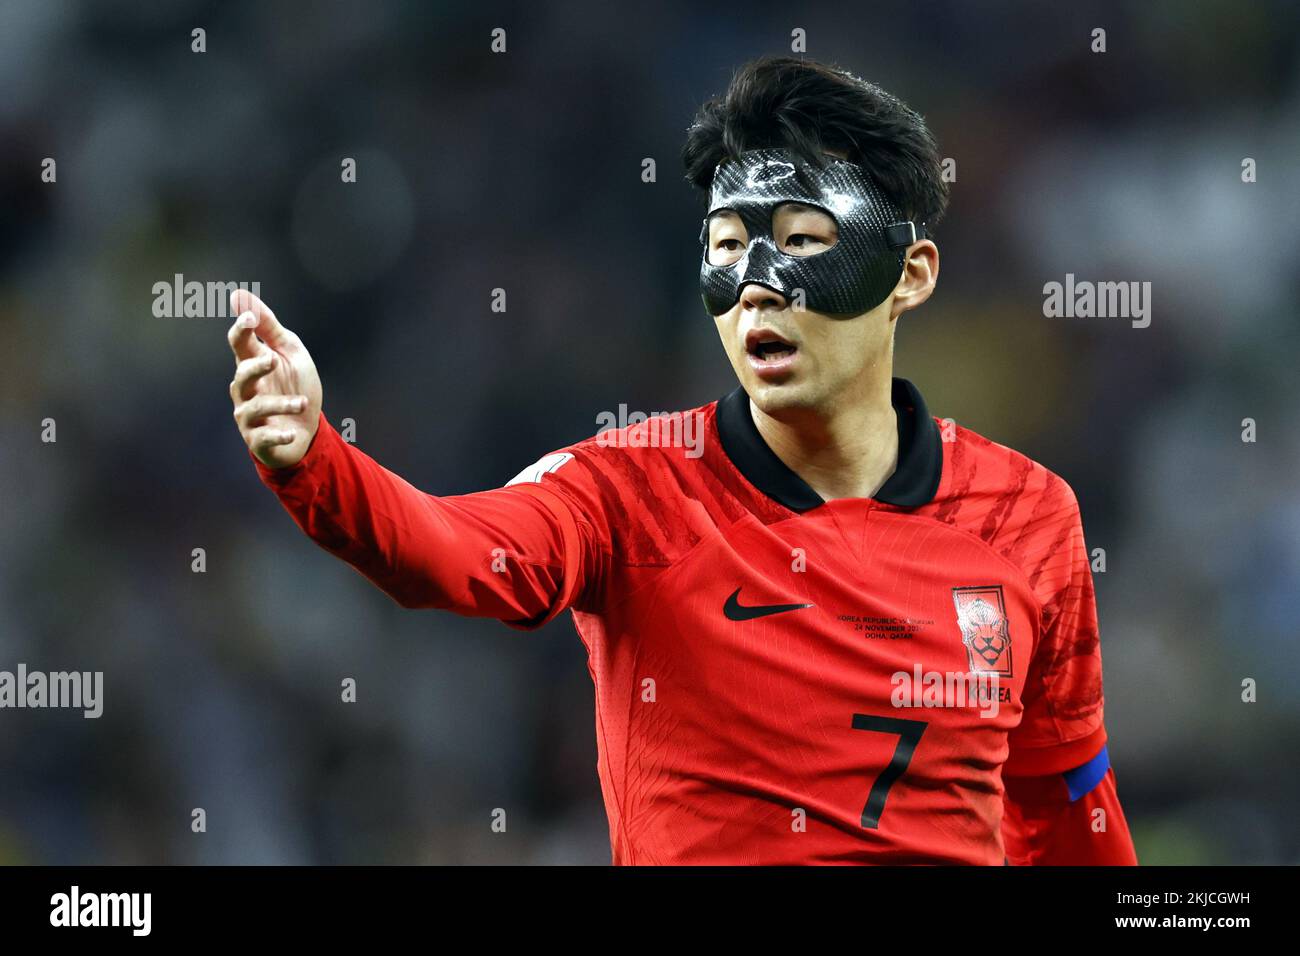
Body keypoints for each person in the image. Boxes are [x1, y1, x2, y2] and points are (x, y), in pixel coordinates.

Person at [226, 55, 1136, 865]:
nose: (756, 283)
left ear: (911, 274)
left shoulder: (1028, 515)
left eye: (803, 240)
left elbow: (1068, 812)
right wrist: (316, 457)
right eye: (729, 246)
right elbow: (451, 555)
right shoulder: (629, 491)